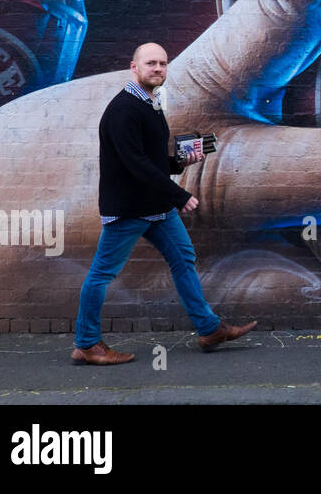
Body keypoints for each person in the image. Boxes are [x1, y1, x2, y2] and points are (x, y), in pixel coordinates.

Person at [71, 43, 257, 364]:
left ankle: (209, 329)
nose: (158, 68)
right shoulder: (124, 109)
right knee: (102, 273)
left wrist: (180, 162)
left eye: (163, 63)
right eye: (151, 63)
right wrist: (179, 195)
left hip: (155, 207)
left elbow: (151, 159)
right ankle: (87, 344)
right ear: (134, 67)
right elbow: (135, 164)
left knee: (183, 258)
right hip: (129, 208)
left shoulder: (150, 104)